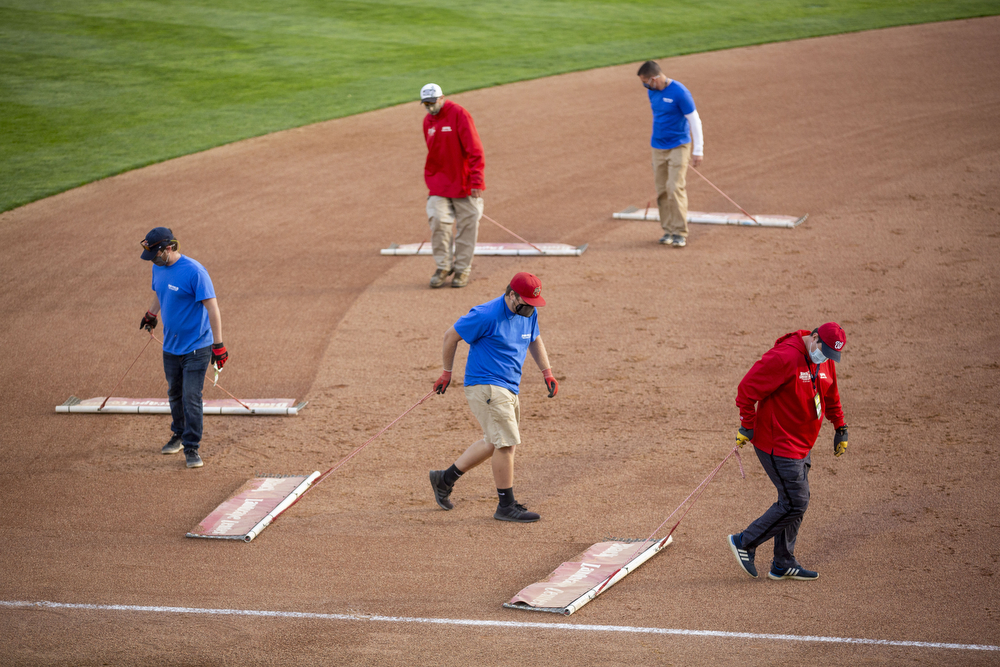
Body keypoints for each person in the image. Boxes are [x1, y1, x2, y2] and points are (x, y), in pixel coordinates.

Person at [428, 272, 559, 523]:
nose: (530, 310)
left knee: (494, 442)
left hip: (509, 386)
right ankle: (506, 506)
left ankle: (444, 479)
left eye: (533, 305)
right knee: (506, 444)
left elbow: (534, 338)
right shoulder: (485, 315)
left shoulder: (528, 312)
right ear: (511, 295)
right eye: (526, 304)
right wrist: (446, 373)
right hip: (486, 386)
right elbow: (450, 336)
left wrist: (547, 371)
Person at [727, 323, 849, 581]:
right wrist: (747, 425)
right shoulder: (784, 357)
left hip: (803, 443)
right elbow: (746, 390)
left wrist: (840, 427)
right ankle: (744, 542)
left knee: (793, 501)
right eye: (823, 351)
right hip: (777, 443)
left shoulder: (825, 359)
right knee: (796, 501)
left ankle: (782, 562)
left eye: (830, 355)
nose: (825, 358)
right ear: (814, 337)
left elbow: (831, 394)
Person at [138, 227, 228, 469]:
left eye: (156, 254)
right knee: (174, 393)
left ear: (169, 248)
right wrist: (151, 314)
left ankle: (191, 447)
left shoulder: (195, 272)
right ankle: (178, 434)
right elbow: (160, 292)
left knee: (191, 396)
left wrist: (218, 345)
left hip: (197, 346)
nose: (153, 260)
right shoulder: (158, 267)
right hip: (171, 345)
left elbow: (213, 308)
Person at [420, 83, 485, 289]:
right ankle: (443, 266)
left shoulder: (459, 114)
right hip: (439, 183)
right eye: (426, 104)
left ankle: (462, 269)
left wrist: (476, 180)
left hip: (464, 184)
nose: (430, 107)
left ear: (442, 98)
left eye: (432, 102)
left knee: (468, 227)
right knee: (438, 221)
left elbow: (475, 149)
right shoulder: (427, 121)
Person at [637, 60, 704, 248]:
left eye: (646, 82)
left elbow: (695, 120)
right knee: (662, 190)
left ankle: (680, 232)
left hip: (679, 146)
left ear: (655, 78)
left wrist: (698, 150)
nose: (645, 87)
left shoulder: (680, 93)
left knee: (675, 187)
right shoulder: (652, 92)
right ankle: (668, 230)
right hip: (657, 146)